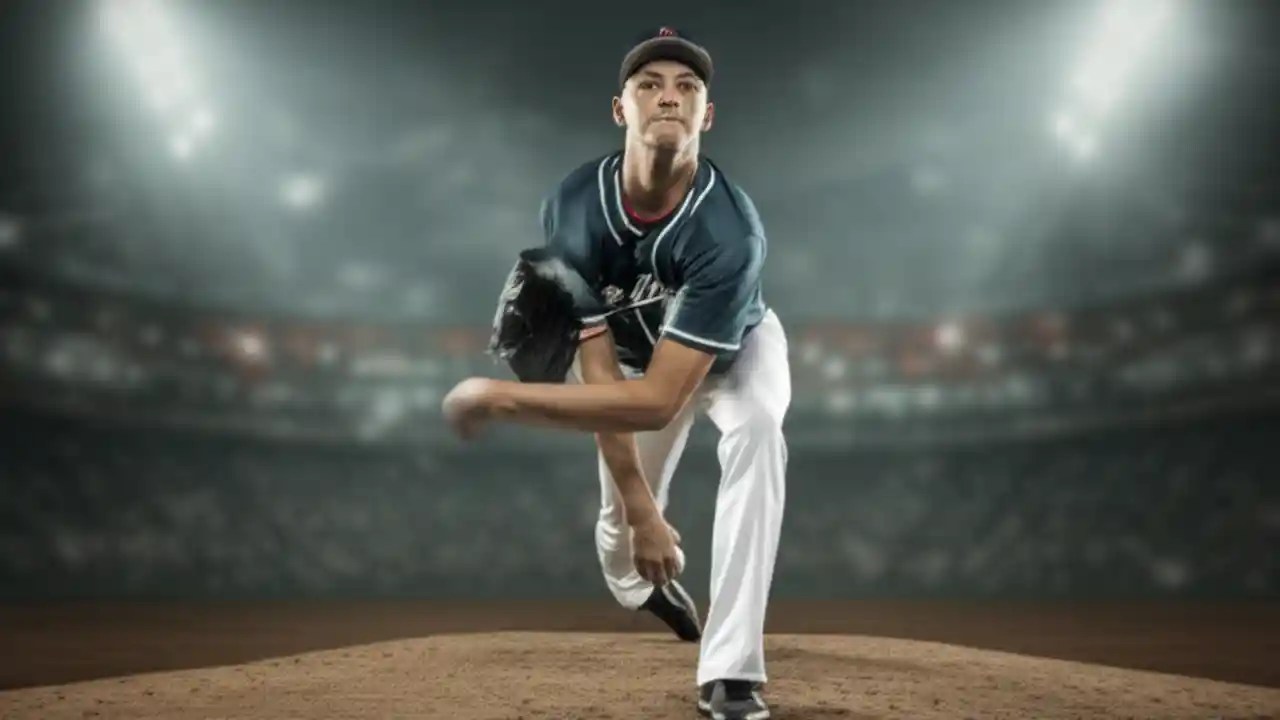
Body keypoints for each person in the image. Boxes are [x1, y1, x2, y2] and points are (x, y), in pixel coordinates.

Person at [442, 27, 789, 720]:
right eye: (649, 85)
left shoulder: (729, 231)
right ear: (620, 109)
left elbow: (662, 401)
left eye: (688, 87)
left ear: (706, 116)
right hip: (629, 364)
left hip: (732, 353)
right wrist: (642, 513)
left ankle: (731, 673)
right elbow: (608, 382)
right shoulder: (574, 207)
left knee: (757, 432)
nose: (669, 96)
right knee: (623, 548)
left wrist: (503, 398)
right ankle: (643, 587)